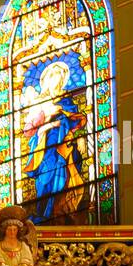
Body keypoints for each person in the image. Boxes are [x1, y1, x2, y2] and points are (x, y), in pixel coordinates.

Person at [22, 61, 87, 221]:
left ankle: (63, 209)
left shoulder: (66, 100)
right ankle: (44, 212)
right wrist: (46, 122)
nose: (55, 80)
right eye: (52, 76)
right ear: (45, 80)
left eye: (58, 77)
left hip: (65, 143)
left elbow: (74, 121)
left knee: (65, 174)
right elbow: (30, 129)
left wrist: (80, 137)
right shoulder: (39, 101)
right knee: (45, 178)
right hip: (44, 146)